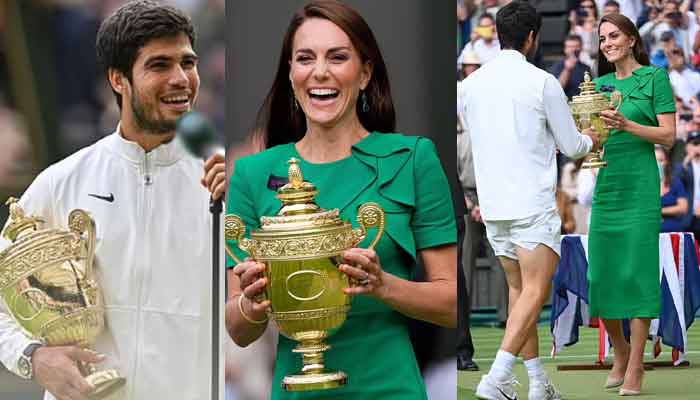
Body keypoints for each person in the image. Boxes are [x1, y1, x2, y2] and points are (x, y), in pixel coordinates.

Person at [224, 1, 457, 399]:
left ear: (364, 73)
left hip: (391, 387)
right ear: (291, 74)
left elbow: (451, 303)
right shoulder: (251, 174)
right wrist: (252, 301)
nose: (320, 71)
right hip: (294, 389)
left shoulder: (413, 158)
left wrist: (384, 286)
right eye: (305, 58)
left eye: (337, 57)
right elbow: (239, 329)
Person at [0, 1, 225, 399]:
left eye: (187, 63)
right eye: (159, 65)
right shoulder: (60, 182)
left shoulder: (226, 183)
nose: (181, 79)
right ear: (118, 80)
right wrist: (32, 356)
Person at [462, 2, 599, 399]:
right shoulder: (542, 81)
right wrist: (596, 138)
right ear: (532, 37)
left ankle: (538, 383)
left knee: (520, 292)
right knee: (534, 291)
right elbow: (573, 146)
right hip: (531, 203)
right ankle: (497, 377)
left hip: (494, 206)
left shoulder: (470, 84)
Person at [589, 12, 676, 396]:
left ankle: (636, 364)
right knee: (601, 275)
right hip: (607, 186)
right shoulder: (599, 85)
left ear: (630, 38)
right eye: (602, 38)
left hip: (641, 186)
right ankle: (620, 349)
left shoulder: (655, 77)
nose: (606, 43)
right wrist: (582, 138)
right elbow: (592, 139)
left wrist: (628, 126)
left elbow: (669, 135)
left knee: (638, 274)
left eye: (612, 36)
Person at [656, 145, 690, 232]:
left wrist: (659, 211)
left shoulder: (675, 182)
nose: (658, 164)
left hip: (673, 233)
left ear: (666, 161)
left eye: (661, 160)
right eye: (655, 161)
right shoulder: (643, 184)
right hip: (651, 232)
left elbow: (683, 207)